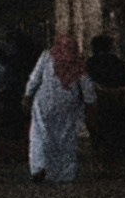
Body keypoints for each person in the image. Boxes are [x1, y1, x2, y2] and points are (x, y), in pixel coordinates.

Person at [24, 35, 97, 183]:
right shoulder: (77, 61)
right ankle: (65, 174)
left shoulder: (47, 56)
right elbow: (87, 85)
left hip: (44, 102)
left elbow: (35, 77)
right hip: (68, 104)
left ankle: (39, 167)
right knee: (66, 138)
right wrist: (91, 103)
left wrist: (27, 95)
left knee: (40, 135)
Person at [86, 30, 125, 170]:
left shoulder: (91, 63)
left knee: (98, 131)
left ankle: (101, 160)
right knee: (115, 129)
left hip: (97, 101)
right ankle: (115, 162)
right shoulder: (118, 62)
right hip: (116, 100)